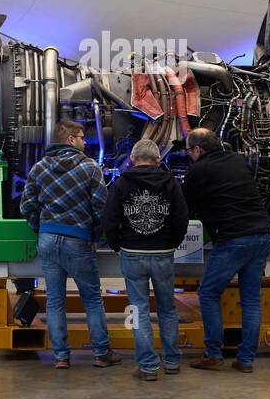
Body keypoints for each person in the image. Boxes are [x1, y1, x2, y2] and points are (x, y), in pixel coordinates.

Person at [20, 119, 120, 370]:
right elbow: (101, 208)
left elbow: (27, 206)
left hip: (48, 239)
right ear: (70, 140)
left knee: (55, 301)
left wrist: (40, 228)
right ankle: (100, 353)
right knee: (92, 300)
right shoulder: (89, 168)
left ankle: (61, 357)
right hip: (78, 240)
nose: (86, 142)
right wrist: (97, 236)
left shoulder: (39, 168)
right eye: (82, 138)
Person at [181, 127, 270, 374]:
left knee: (209, 293)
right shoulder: (237, 160)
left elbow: (184, 207)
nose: (189, 155)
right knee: (251, 300)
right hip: (263, 234)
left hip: (234, 238)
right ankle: (245, 360)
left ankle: (213, 354)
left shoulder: (197, 170)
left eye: (189, 150)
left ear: (198, 149)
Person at [102, 139, 189, 381]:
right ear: (158, 160)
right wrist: (173, 242)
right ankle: (172, 362)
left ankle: (148, 366)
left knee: (139, 311)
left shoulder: (121, 183)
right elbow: (182, 217)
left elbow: (109, 219)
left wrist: (116, 245)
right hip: (162, 253)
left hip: (132, 252)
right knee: (168, 309)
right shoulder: (171, 182)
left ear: (132, 159)